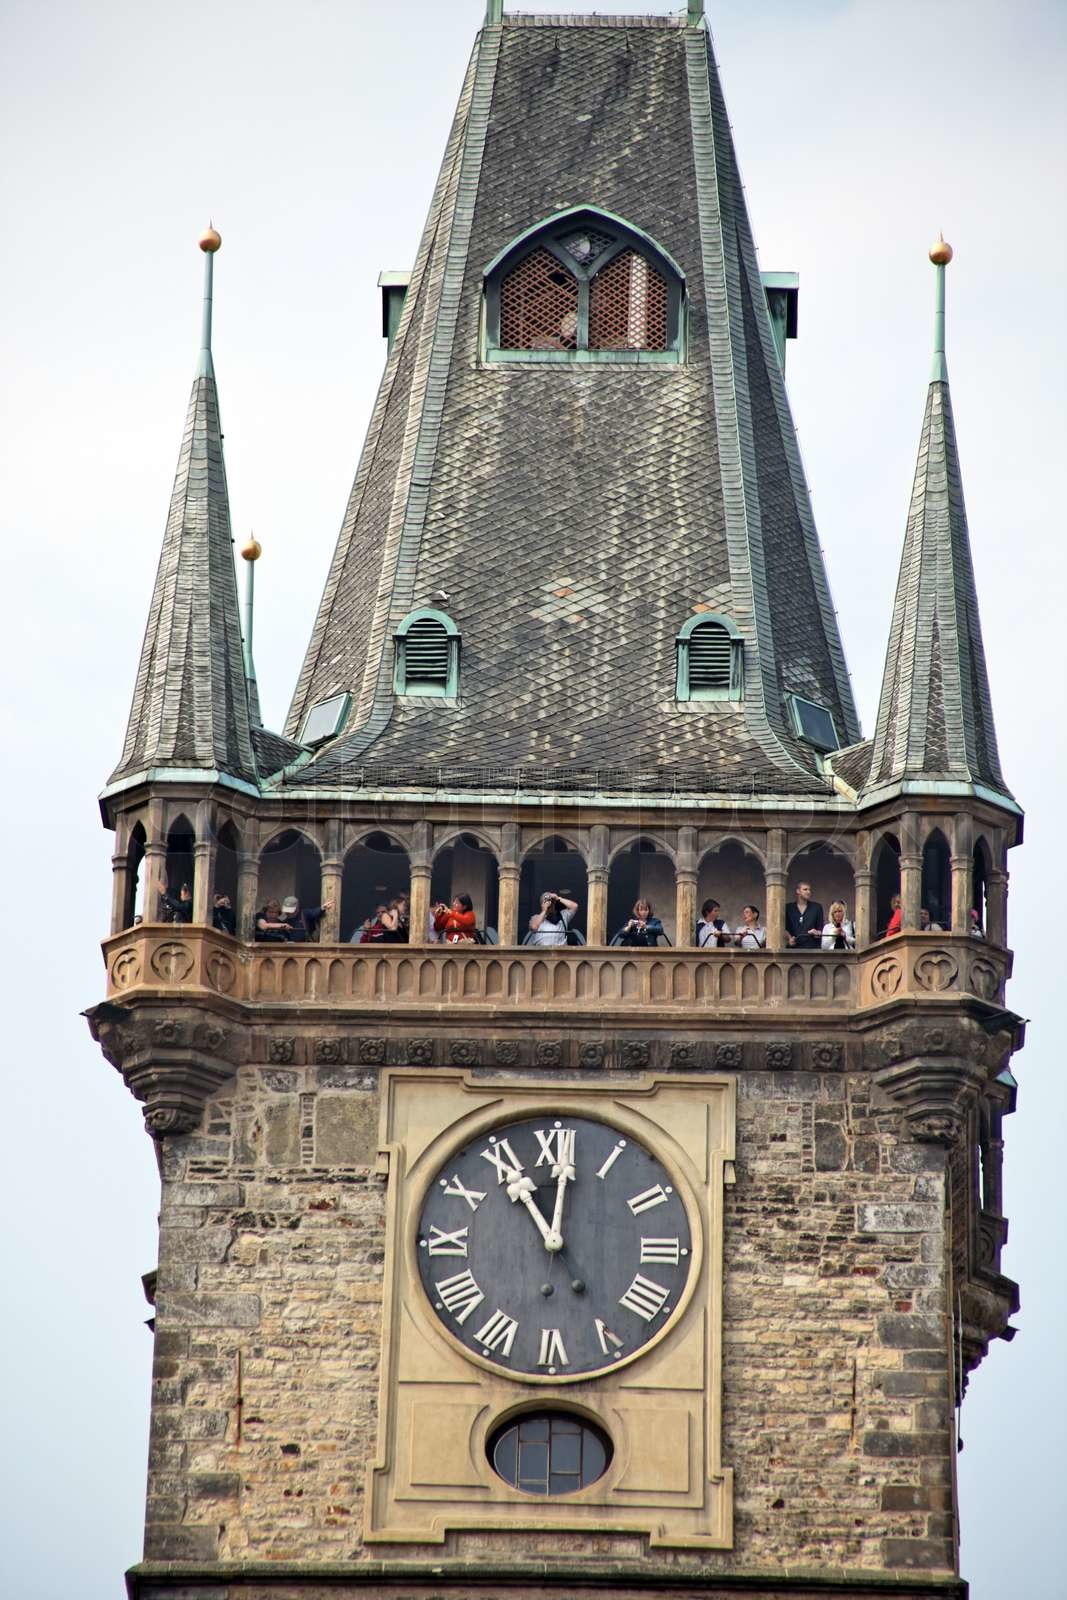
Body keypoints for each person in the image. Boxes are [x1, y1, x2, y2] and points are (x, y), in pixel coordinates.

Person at [785, 880, 824, 949]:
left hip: (812, 948)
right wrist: (789, 938)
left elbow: (820, 928)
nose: (808, 892)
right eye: (805, 889)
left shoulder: (817, 907)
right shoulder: (788, 908)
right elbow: (784, 928)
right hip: (793, 950)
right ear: (798, 891)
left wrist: (816, 932)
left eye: (809, 890)